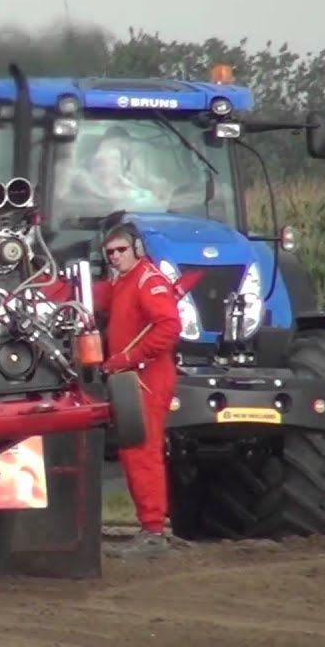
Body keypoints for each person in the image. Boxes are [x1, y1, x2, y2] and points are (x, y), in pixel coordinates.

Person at [94, 220, 185, 557]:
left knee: (142, 452)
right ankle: (151, 528)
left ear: (137, 249)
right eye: (110, 253)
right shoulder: (123, 282)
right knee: (135, 452)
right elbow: (94, 295)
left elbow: (168, 326)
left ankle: (152, 532)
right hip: (133, 377)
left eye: (120, 250)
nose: (115, 257)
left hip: (147, 378)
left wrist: (129, 357)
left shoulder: (148, 281)